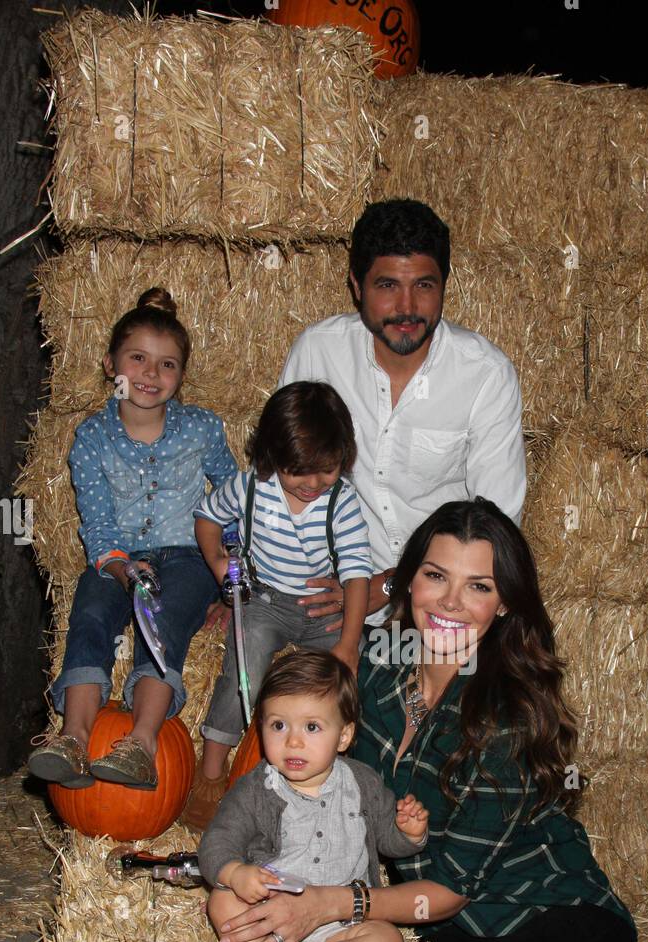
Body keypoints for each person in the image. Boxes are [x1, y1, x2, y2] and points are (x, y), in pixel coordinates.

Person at [210, 499, 638, 942]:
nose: (450, 601)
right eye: (436, 576)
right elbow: (306, 755)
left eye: (479, 586)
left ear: (505, 606)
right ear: (408, 581)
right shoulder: (376, 673)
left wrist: (331, 904)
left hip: (549, 912)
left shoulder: (508, 718)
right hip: (450, 925)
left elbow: (448, 890)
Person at [277, 198, 526, 633]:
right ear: (357, 285)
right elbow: (277, 482)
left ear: (445, 285)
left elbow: (496, 525)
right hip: (329, 597)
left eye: (425, 286)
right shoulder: (318, 353)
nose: (407, 307)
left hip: (443, 603)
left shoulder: (484, 374)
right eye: (388, 286)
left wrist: (391, 584)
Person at [28, 288, 236, 791]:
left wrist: (231, 582)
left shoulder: (202, 428)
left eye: (167, 364)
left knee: (162, 621)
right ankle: (74, 737)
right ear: (110, 364)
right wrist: (121, 568)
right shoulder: (93, 438)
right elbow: (97, 524)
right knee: (91, 612)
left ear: (180, 376)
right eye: (138, 359)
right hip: (119, 559)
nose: (150, 374)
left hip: (187, 557)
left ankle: (141, 745)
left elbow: (233, 501)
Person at [198, 650, 430, 942]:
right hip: (269, 915)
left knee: (389, 941)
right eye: (278, 725)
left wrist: (408, 834)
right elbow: (216, 842)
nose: (292, 740)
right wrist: (235, 872)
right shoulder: (257, 789)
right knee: (221, 903)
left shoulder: (363, 783)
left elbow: (386, 842)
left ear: (343, 736)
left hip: (339, 924)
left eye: (311, 726)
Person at [181, 382, 372, 829]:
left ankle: (334, 783)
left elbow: (357, 575)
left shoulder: (340, 502)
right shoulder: (250, 488)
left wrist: (347, 644)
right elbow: (207, 516)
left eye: (326, 470)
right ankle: (211, 774)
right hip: (264, 599)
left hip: (321, 608)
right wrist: (218, 565)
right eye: (298, 471)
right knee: (242, 670)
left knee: (339, 685)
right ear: (271, 456)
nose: (312, 484)